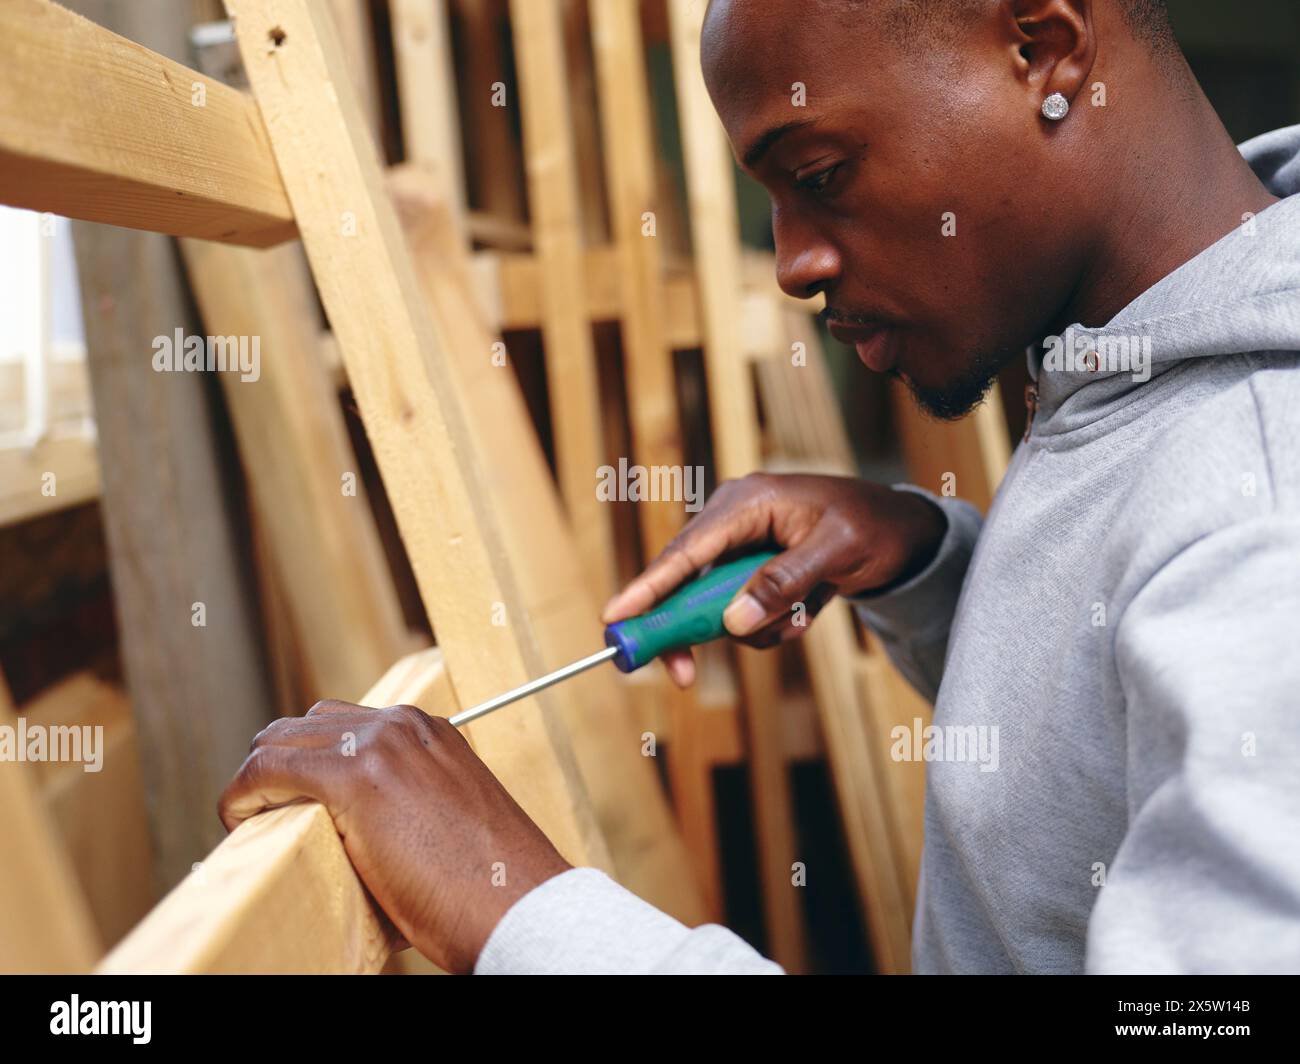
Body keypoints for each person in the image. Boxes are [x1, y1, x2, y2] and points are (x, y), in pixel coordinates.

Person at [219, 0, 1300, 974]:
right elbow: (1102, 747)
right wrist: (933, 562)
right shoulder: (1134, 370)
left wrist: (515, 911)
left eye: (819, 174)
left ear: (1044, 50)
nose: (790, 265)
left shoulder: (1261, 517)